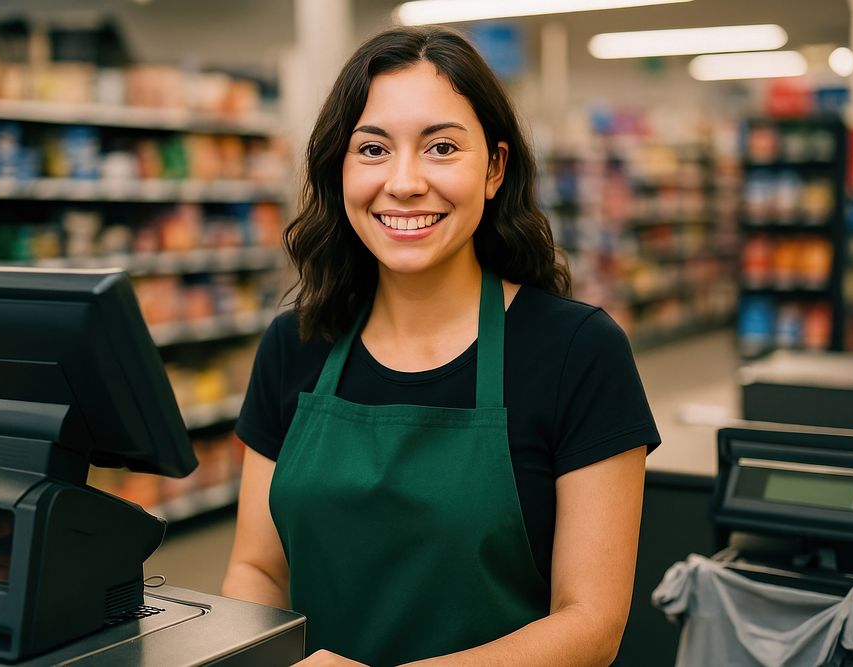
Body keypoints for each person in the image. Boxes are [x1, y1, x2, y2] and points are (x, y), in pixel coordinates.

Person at [222, 25, 660, 667]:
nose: (403, 182)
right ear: (338, 169)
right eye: (372, 149)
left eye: (441, 148)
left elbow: (591, 624)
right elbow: (256, 569)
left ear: (494, 168)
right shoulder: (296, 343)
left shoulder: (576, 351)